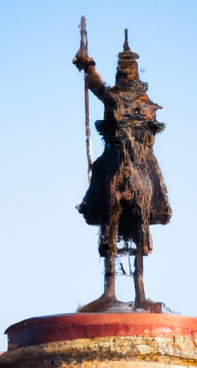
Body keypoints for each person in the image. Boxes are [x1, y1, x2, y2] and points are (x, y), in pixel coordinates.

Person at [74, 30, 172, 310]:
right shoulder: (113, 97)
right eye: (121, 70)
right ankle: (109, 290)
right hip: (115, 154)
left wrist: (135, 133)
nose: (124, 75)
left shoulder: (145, 103)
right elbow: (96, 86)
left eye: (128, 70)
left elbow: (150, 129)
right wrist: (87, 64)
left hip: (140, 158)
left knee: (149, 188)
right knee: (103, 182)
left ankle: (140, 291)